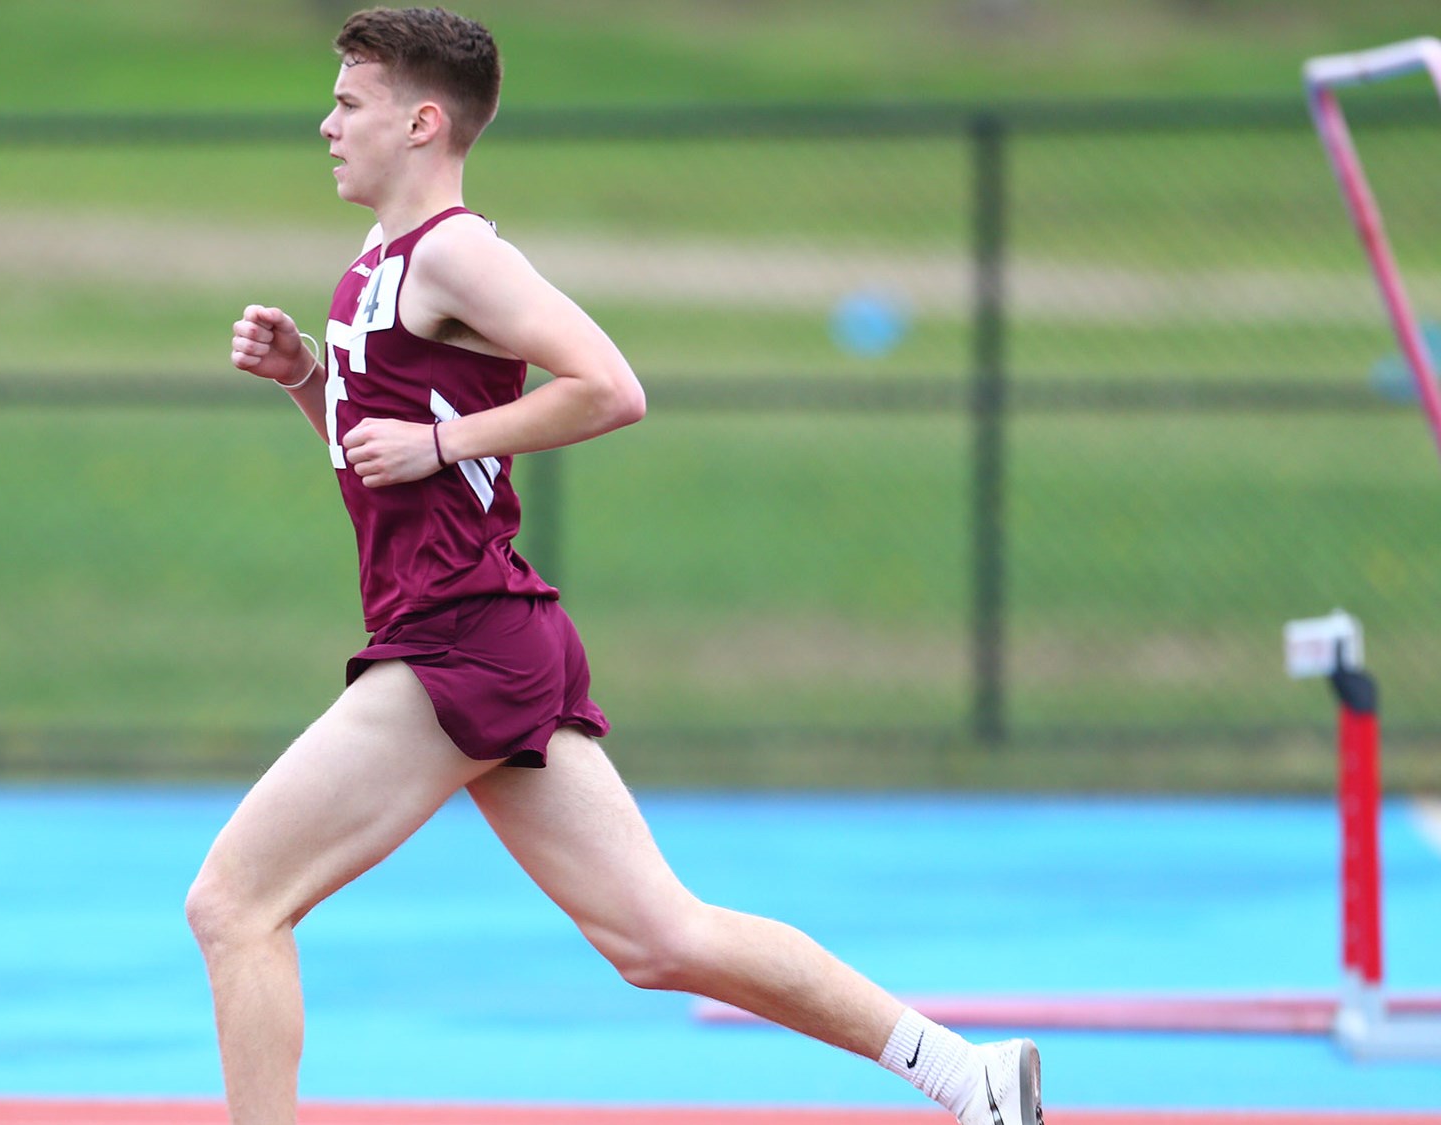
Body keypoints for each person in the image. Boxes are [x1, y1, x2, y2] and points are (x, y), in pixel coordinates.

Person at [186, 8, 1043, 1124]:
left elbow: (609, 385)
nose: (326, 124)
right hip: (485, 636)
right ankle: (963, 1074)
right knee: (658, 938)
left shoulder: (456, 252)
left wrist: (441, 441)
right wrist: (309, 378)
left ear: (421, 122)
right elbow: (385, 467)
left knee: (235, 904)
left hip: (457, 643)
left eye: (348, 103)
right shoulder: (378, 264)